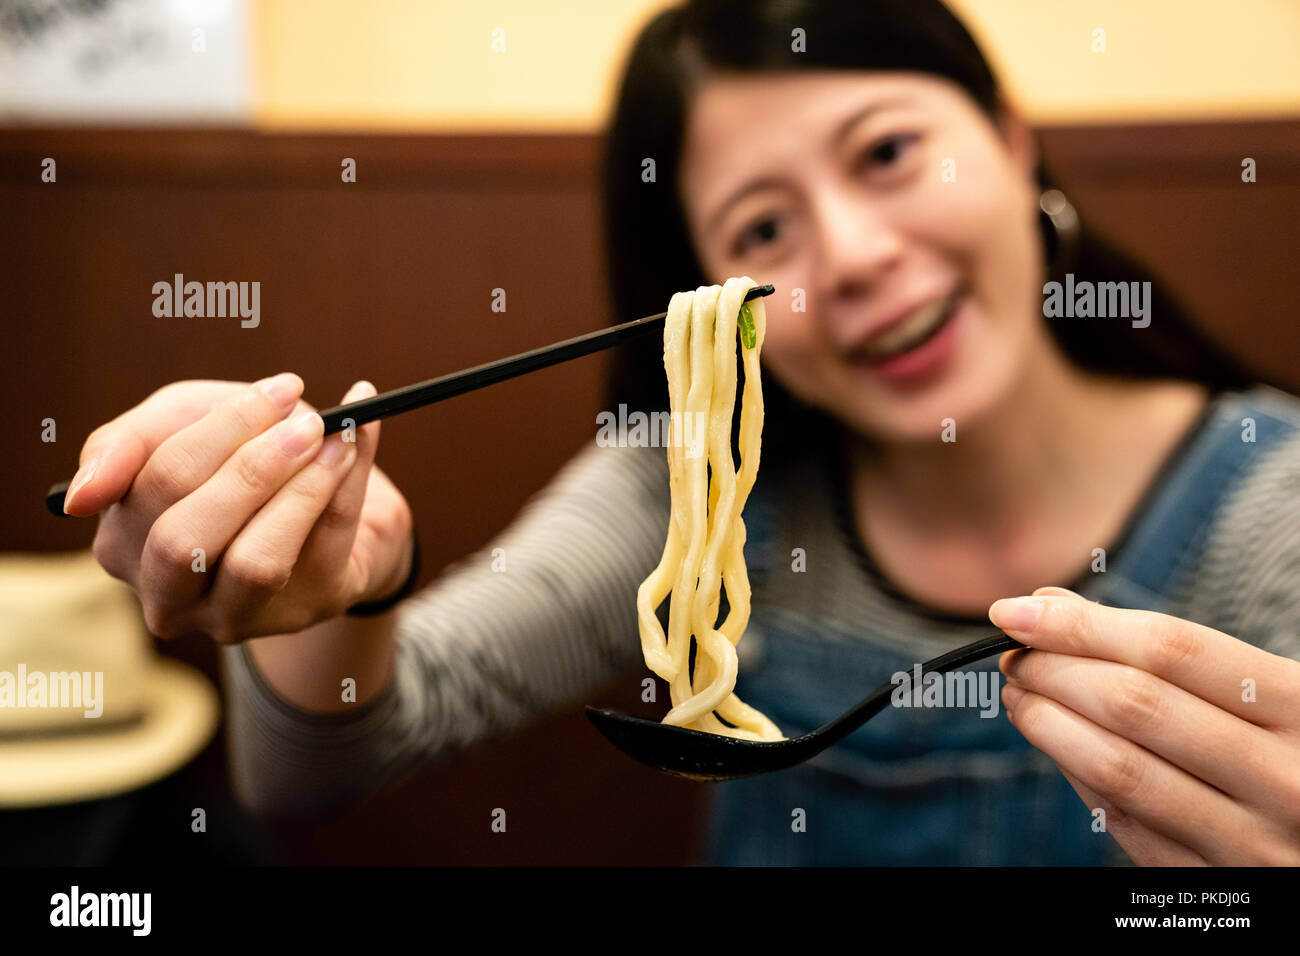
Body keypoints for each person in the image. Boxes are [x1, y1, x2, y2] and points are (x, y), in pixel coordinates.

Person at [64, 0, 1300, 864]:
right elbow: (319, 770)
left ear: (1014, 143)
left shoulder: (1269, 502)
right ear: (707, 290)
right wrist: (351, 578)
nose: (856, 255)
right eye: (763, 230)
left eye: (887, 152)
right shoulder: (691, 482)